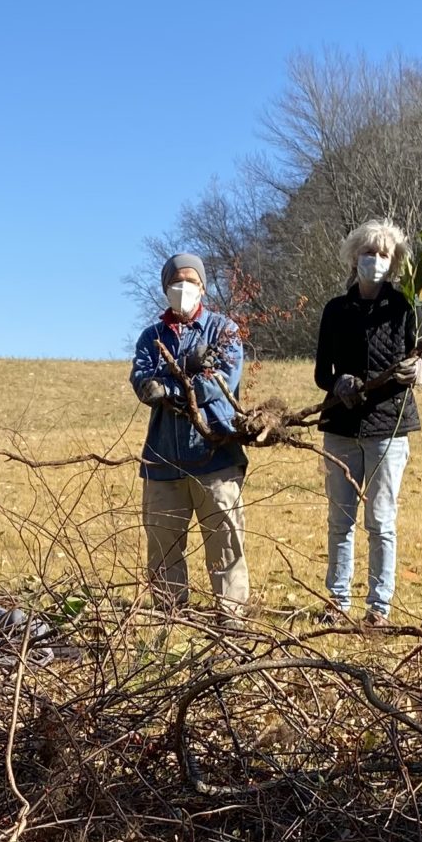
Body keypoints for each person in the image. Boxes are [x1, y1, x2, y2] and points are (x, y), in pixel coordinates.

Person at [312, 219, 422, 625]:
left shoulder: (403, 307)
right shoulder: (335, 310)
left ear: (393, 261)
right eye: (368, 253)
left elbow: (421, 356)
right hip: (341, 428)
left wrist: (419, 372)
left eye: (382, 255)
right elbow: (321, 373)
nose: (374, 261)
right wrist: (339, 381)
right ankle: (337, 601)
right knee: (339, 520)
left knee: (381, 521)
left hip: (388, 428)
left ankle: (378, 608)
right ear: (354, 256)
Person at [129, 251, 249, 623]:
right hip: (163, 457)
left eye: (191, 281)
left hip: (216, 453)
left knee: (224, 538)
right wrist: (178, 375)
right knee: (163, 543)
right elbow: (141, 381)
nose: (184, 288)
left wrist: (172, 389)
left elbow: (218, 381)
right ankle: (171, 612)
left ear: (203, 286)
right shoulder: (151, 336)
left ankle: (231, 613)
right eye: (177, 282)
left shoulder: (224, 330)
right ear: (166, 288)